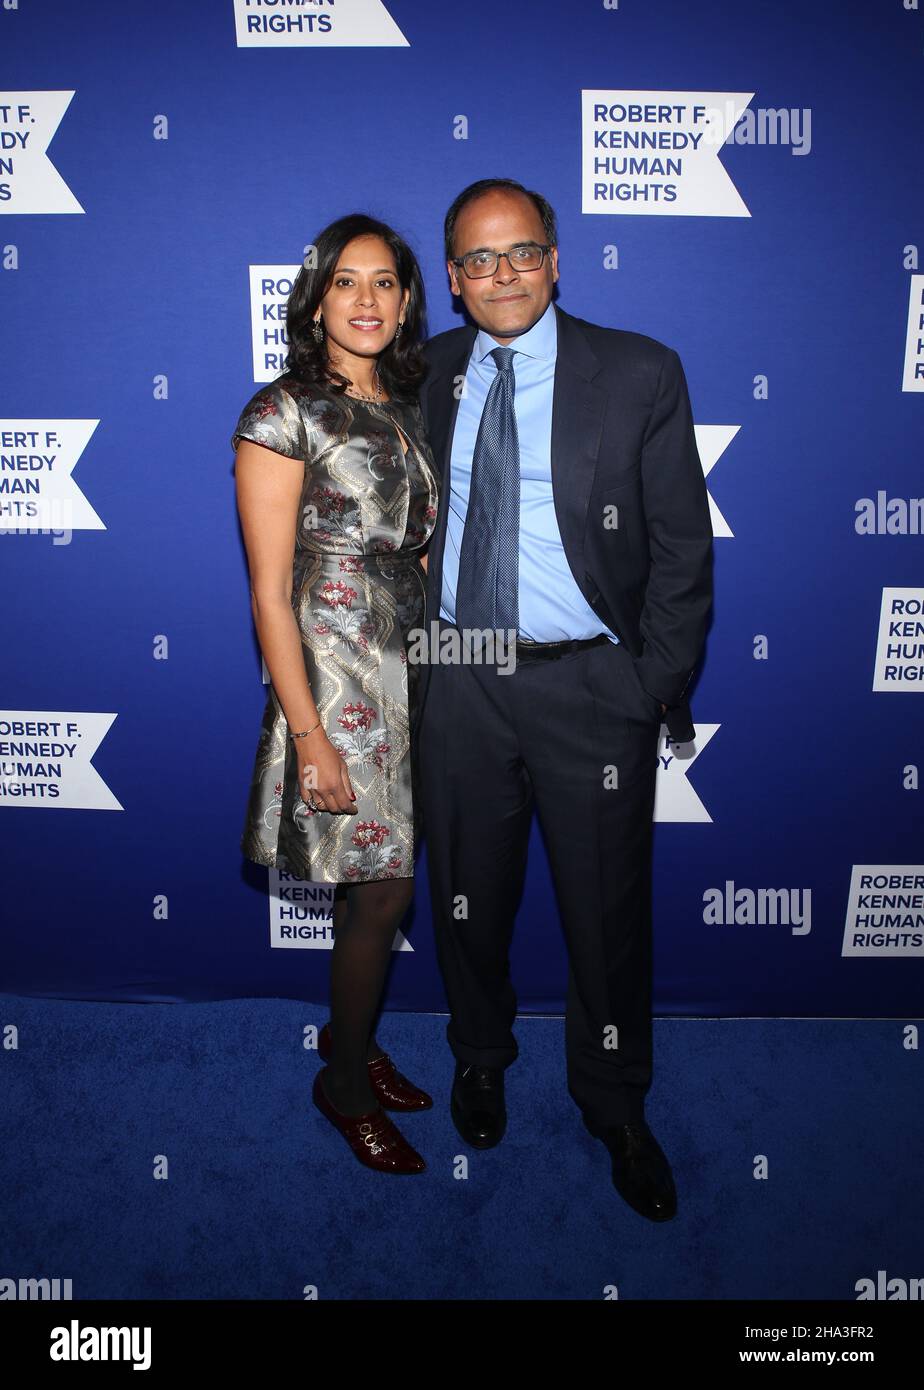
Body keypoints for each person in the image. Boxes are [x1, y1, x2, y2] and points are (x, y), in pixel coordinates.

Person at [415, 178, 714, 1221]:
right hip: (456, 675)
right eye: (478, 260)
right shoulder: (426, 371)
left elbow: (682, 548)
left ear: (557, 259)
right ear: (451, 279)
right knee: (466, 899)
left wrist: (646, 688)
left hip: (590, 684)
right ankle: (481, 1055)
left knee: (607, 916)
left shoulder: (637, 371)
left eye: (522, 252)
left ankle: (614, 1099)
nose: (502, 275)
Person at [232, 214, 439, 1175]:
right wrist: (309, 735)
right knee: (383, 888)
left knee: (387, 889)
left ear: (405, 300)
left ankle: (351, 1041)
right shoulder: (282, 414)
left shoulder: (408, 399)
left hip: (415, 667)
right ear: (315, 301)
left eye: (386, 282)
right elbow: (271, 593)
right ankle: (342, 1083)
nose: (367, 299)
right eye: (346, 282)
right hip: (336, 670)